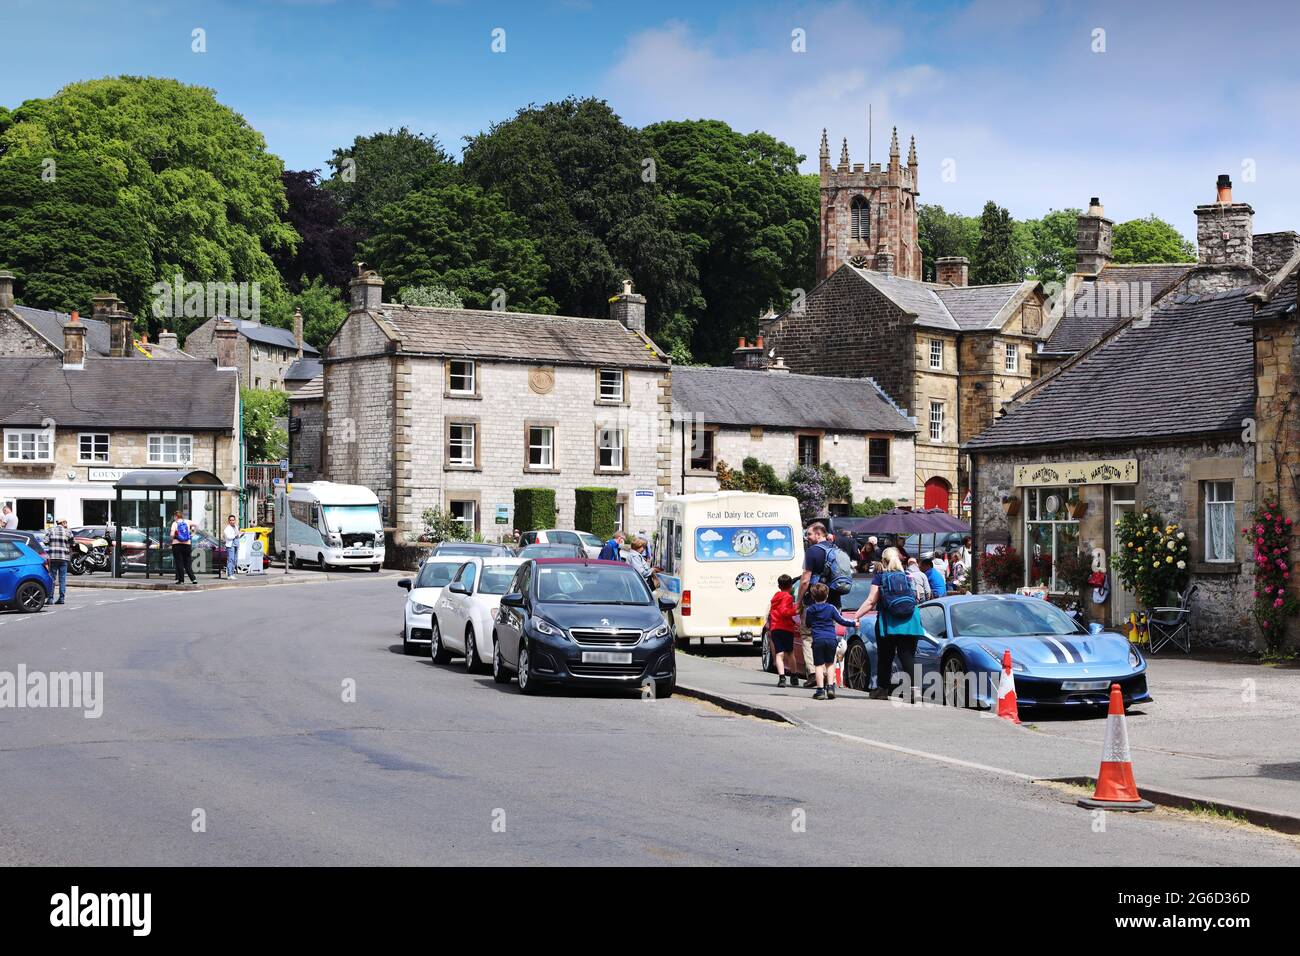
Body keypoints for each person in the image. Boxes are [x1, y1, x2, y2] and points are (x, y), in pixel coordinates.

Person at [854, 547, 926, 701]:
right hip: (911, 620)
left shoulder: (880, 577)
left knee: (885, 656)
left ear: (884, 561)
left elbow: (871, 601)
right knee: (907, 656)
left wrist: (856, 615)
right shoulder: (909, 576)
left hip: (889, 621)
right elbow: (918, 598)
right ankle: (915, 691)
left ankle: (882, 689)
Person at [798, 523, 845, 689]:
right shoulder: (837, 550)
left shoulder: (812, 552)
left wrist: (799, 601)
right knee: (829, 636)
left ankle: (813, 673)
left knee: (808, 635)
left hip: (814, 603)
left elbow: (805, 580)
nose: (807, 537)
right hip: (834, 602)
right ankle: (828, 676)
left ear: (818, 534)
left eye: (809, 534)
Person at [803, 583, 855, 700]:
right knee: (830, 664)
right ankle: (831, 687)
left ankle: (820, 690)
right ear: (827, 596)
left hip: (818, 640)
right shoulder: (831, 608)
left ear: (812, 597)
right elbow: (841, 620)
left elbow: (808, 624)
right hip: (831, 639)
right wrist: (853, 623)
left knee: (818, 665)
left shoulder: (810, 609)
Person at [767, 574, 800, 688]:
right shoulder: (788, 597)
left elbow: (774, 612)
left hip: (775, 628)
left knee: (779, 653)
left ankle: (782, 677)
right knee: (790, 653)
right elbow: (784, 612)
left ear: (779, 586)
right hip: (786, 628)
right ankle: (794, 676)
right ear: (791, 586)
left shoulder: (776, 596)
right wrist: (796, 610)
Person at [45, 518, 72, 605]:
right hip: (64, 557)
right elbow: (73, 542)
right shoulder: (67, 531)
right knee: (62, 579)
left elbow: (45, 541)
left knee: (52, 578)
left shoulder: (50, 530)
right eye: (66, 522)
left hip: (53, 557)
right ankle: (61, 598)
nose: (66, 524)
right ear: (63, 523)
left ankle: (50, 598)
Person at [170, 510, 198, 585]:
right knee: (187, 563)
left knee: (179, 563)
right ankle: (193, 579)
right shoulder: (187, 522)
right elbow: (196, 525)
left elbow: (172, 535)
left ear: (176, 516)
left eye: (174, 516)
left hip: (177, 545)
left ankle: (181, 580)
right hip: (187, 544)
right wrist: (192, 534)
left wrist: (172, 538)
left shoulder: (175, 523)